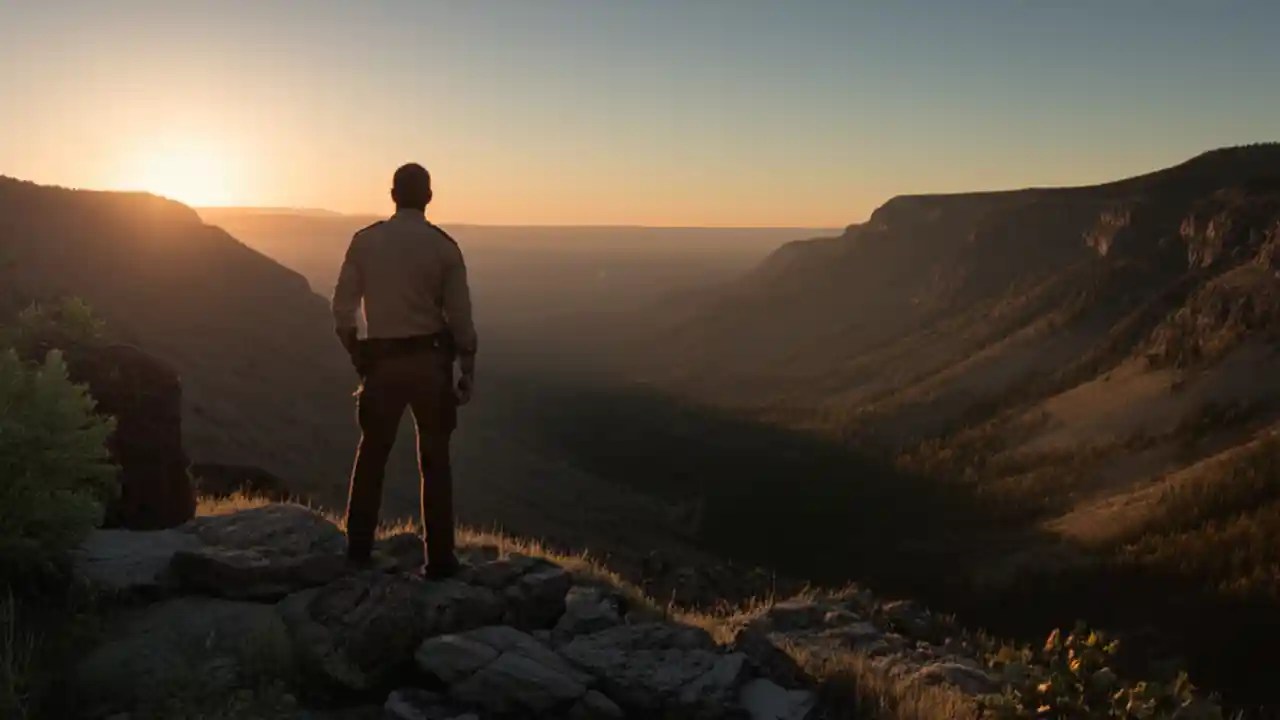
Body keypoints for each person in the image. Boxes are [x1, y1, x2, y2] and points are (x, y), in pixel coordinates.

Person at [331, 162, 477, 578]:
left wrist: (357, 354)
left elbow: (342, 310)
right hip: (431, 365)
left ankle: (358, 548)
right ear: (429, 197)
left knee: (372, 454)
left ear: (393, 195)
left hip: (381, 364)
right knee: (435, 461)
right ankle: (441, 560)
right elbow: (461, 318)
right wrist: (467, 366)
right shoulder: (444, 248)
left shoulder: (364, 242)